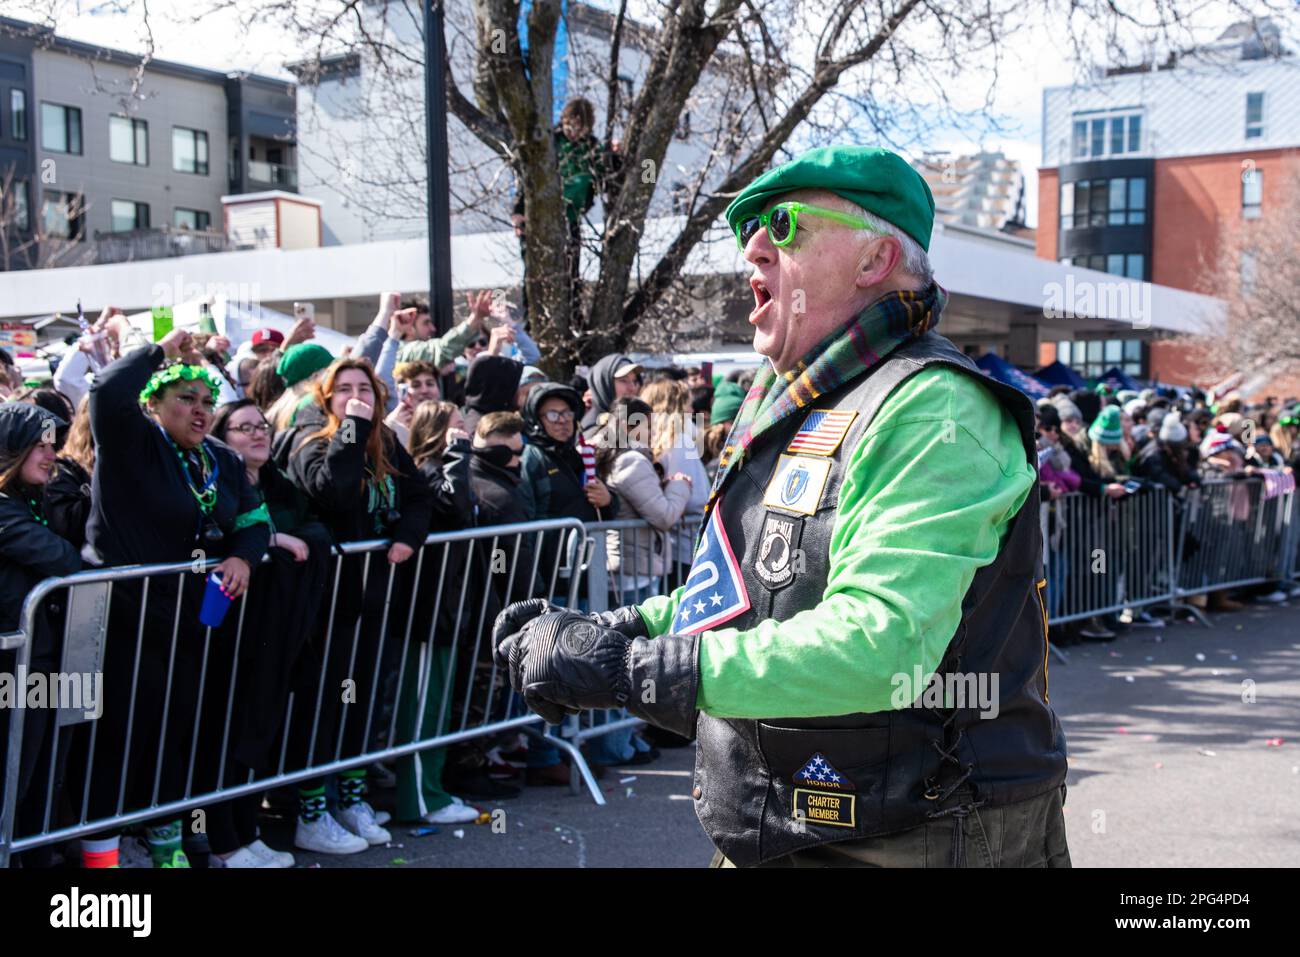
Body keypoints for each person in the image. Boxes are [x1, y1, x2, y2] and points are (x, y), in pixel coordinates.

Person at [494, 145, 1068, 868]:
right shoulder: (795, 403)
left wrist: (632, 668)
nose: (754, 249)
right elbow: (741, 590)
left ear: (875, 259)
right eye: (747, 233)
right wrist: (615, 628)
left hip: (917, 829)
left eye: (784, 224)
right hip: (784, 818)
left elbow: (879, 644)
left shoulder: (932, 406)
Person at [79, 329, 271, 868]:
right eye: (186, 399)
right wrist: (159, 349)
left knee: (177, 733)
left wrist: (242, 557)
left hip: (191, 620)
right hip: (126, 618)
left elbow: (256, 521)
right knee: (119, 738)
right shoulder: (131, 442)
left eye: (207, 400)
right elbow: (105, 393)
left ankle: (167, 849)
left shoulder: (221, 460)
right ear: (154, 405)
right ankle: (101, 861)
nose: (201, 410)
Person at [280, 358, 434, 848]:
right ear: (326, 398)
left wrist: (407, 536)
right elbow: (333, 493)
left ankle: (350, 798)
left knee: (361, 703)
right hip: (327, 605)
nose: (354, 394)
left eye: (362, 388)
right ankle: (311, 812)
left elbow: (419, 497)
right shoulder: (312, 441)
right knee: (324, 705)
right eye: (342, 388)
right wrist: (350, 428)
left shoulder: (384, 442)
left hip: (372, 598)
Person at [201, 400, 338, 863]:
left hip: (274, 631)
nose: (258, 433)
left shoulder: (279, 482)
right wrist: (270, 541)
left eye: (261, 426)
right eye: (243, 428)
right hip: (223, 629)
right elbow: (212, 535)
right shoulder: (214, 481)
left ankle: (246, 828)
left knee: (259, 726)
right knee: (222, 731)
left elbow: (317, 532)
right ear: (222, 436)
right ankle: (222, 839)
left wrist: (280, 539)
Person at [0, 403, 82, 861]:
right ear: (12, 447)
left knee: (37, 773)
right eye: (40, 444)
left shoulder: (35, 499)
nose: (51, 455)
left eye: (54, 444)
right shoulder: (4, 509)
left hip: (45, 659)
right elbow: (66, 560)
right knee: (14, 774)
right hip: (14, 665)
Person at [580, 354, 642, 436]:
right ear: (604, 384)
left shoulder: (636, 420)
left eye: (634, 381)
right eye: (623, 380)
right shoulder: (592, 431)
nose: (632, 387)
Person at [386, 361, 442, 449]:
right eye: (416, 385)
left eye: (430, 384)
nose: (424, 390)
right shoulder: (393, 425)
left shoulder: (450, 419)